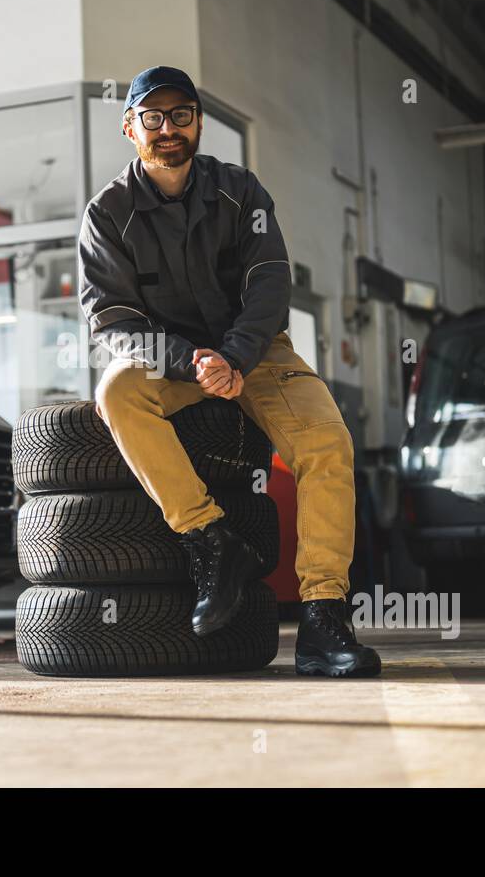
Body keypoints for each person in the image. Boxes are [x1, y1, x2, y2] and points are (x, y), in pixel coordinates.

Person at [77, 65, 381, 678]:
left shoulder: (242, 192)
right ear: (129, 126)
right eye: (153, 118)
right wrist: (192, 362)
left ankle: (324, 619)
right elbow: (109, 317)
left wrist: (237, 357)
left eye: (181, 115)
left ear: (198, 122)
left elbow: (269, 280)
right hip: (171, 360)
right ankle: (213, 540)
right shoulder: (107, 213)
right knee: (117, 392)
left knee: (328, 443)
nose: (169, 129)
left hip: (258, 353)